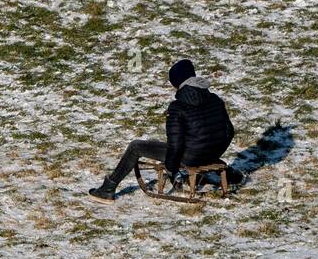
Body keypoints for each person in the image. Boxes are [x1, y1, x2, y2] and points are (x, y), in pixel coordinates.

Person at [88, 59, 235, 203]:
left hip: (190, 157)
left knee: (136, 147)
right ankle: (230, 174)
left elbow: (176, 145)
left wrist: (172, 169)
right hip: (213, 154)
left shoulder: (177, 107)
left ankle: (107, 189)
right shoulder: (215, 99)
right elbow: (229, 131)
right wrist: (215, 151)